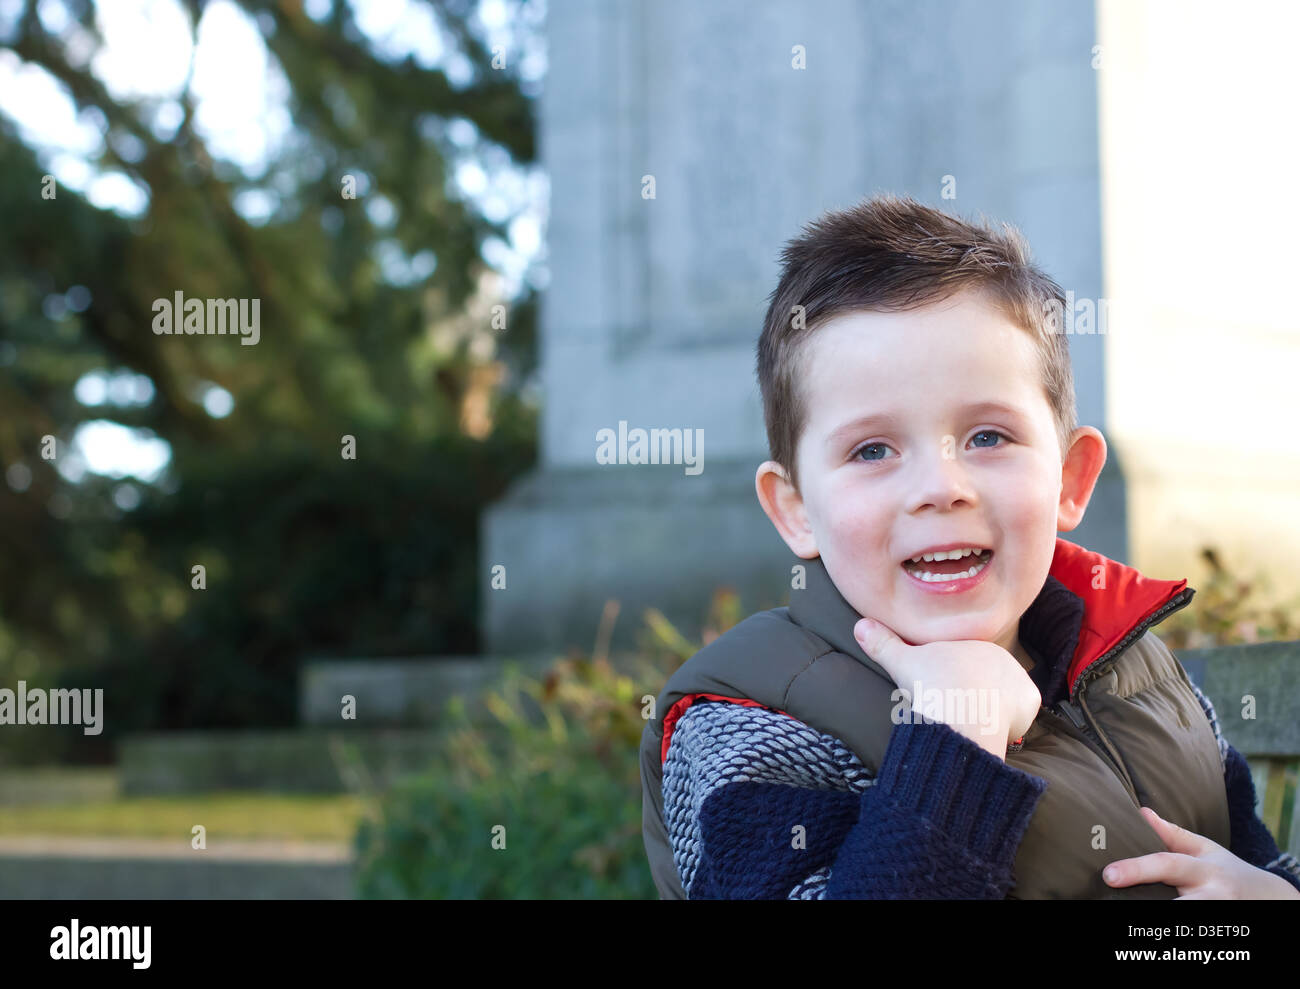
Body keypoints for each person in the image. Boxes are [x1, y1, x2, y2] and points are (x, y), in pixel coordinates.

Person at [638, 193, 1300, 899]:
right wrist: (955, 745)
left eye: (988, 436)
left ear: (1070, 479)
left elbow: (1248, 857)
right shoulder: (750, 721)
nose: (941, 486)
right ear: (796, 509)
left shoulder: (1140, 672)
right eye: (872, 449)